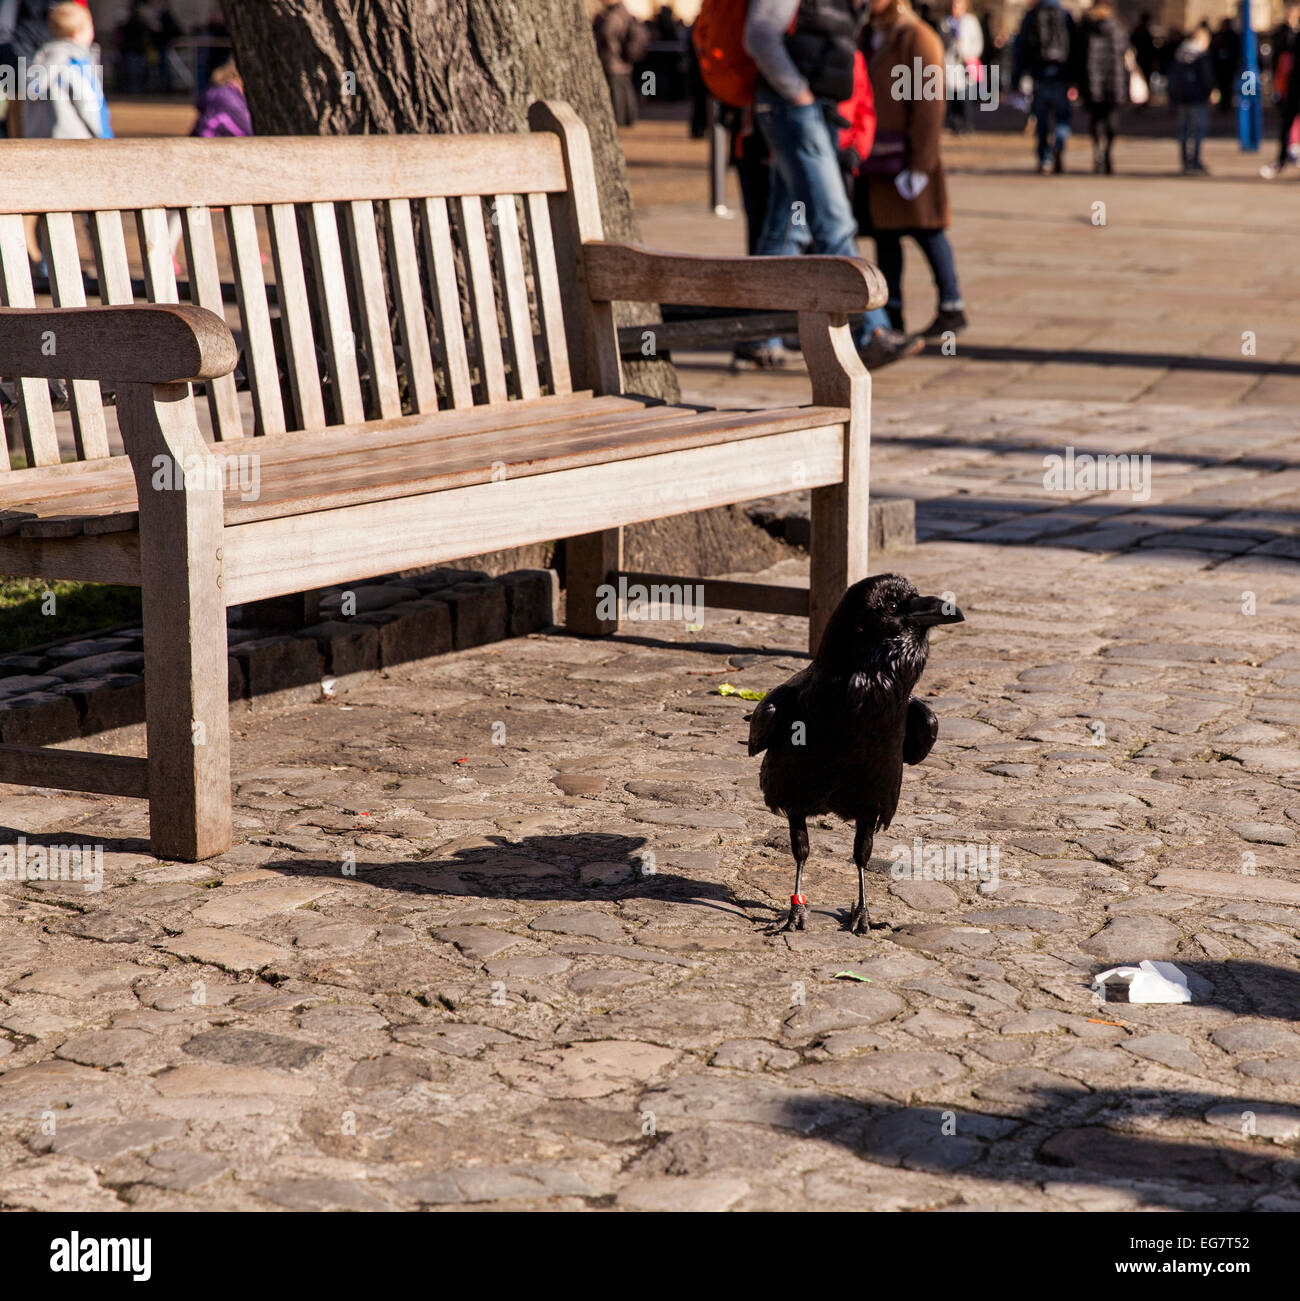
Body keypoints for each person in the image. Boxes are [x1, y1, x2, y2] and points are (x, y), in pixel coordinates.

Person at [743, 0, 919, 369]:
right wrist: (797, 93)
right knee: (834, 220)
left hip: (812, 110)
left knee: (787, 229)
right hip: (794, 111)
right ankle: (872, 332)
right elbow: (758, 34)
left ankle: (759, 335)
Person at [862, 0, 965, 339]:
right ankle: (892, 315)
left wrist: (921, 163)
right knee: (886, 236)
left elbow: (929, 102)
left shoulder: (917, 36)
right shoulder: (869, 32)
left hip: (909, 154)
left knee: (928, 231)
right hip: (879, 157)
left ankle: (951, 306)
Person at [22, 1, 110, 139]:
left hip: (42, 140)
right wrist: (104, 135)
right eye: (90, 25)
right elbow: (88, 105)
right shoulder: (75, 63)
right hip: (77, 141)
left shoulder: (40, 61)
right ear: (78, 33)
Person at [1013, 0, 1078, 174]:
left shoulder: (1032, 16)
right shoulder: (1065, 16)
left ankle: (1045, 158)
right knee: (1062, 117)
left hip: (1039, 75)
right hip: (1061, 76)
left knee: (1041, 121)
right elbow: (1076, 48)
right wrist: (1075, 78)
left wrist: (1017, 77)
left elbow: (1020, 48)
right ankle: (1059, 143)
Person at [1079, 0, 1128, 174]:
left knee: (1096, 120)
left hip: (1092, 81)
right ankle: (1107, 151)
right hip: (1114, 80)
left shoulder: (1086, 26)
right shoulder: (1117, 26)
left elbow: (1079, 54)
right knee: (1111, 120)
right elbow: (1125, 51)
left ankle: (1098, 150)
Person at [592, 0, 650, 127]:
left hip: (614, 60)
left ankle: (619, 118)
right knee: (626, 89)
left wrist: (611, 48)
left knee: (616, 92)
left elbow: (606, 32)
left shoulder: (614, 16)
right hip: (625, 60)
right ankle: (630, 117)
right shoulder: (626, 13)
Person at [1261, 0, 1300, 178]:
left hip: (1291, 85)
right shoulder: (1284, 34)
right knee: (1286, 123)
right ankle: (1283, 158)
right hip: (1291, 87)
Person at [1168, 25, 1213, 174]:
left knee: (1184, 131)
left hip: (1182, 98)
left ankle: (1185, 161)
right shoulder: (1200, 56)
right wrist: (1210, 92)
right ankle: (1195, 160)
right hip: (1197, 97)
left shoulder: (1179, 53)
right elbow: (1206, 78)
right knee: (1197, 130)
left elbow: (1173, 77)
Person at [939, 0, 982, 133]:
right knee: (952, 95)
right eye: (954, 6)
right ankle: (954, 123)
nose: (956, 9)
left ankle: (967, 123)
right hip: (951, 63)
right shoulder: (945, 23)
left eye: (959, 7)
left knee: (966, 95)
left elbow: (978, 42)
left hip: (966, 63)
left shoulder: (971, 22)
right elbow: (942, 43)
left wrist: (971, 56)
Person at [190, 57, 250, 137]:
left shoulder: (217, 91)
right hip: (216, 139)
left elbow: (199, 103)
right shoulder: (231, 97)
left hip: (205, 136)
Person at [1211, 16, 1239, 114]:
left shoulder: (1231, 36)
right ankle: (1223, 104)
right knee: (1222, 86)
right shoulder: (1220, 36)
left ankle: (1225, 104)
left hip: (1227, 67)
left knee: (1227, 87)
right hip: (1221, 67)